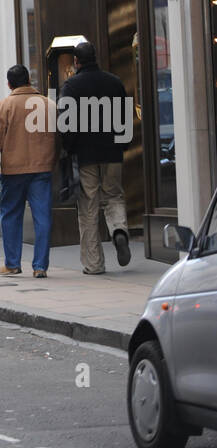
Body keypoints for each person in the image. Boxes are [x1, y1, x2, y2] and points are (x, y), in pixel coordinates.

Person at [59, 40, 131, 275]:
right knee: (114, 195)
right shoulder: (114, 82)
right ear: (96, 57)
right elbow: (124, 118)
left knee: (88, 206)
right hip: (112, 152)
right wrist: (123, 144)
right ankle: (119, 231)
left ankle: (94, 264)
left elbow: (65, 124)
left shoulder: (71, 86)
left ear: (76, 62)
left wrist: (68, 149)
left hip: (85, 154)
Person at [0, 65, 58, 277]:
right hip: (42, 168)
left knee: (10, 215)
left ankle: (12, 263)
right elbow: (56, 139)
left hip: (13, 171)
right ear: (29, 81)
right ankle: (40, 266)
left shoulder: (3, 107)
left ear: (9, 84)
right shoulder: (48, 105)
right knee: (42, 217)